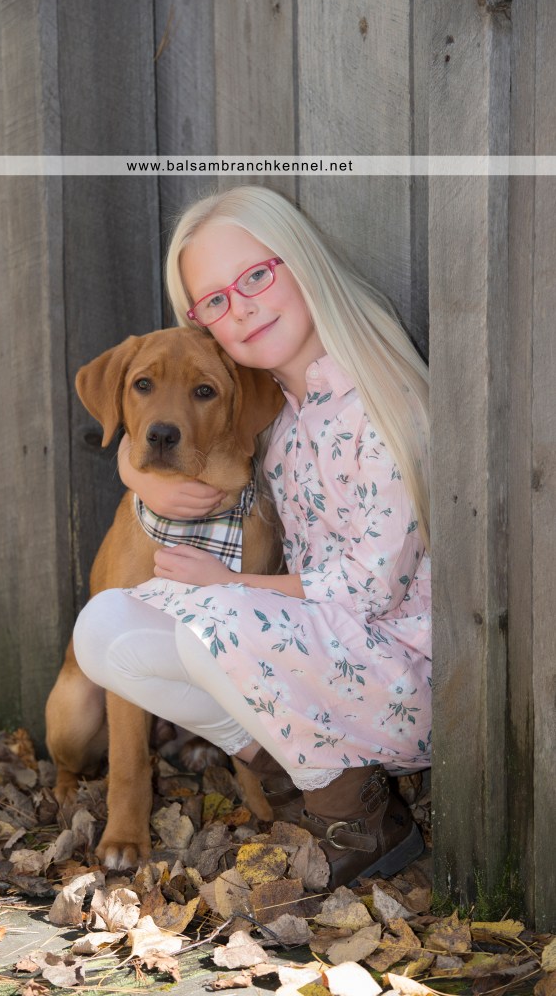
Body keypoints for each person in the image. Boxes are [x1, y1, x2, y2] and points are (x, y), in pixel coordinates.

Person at [73, 185, 431, 887]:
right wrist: (138, 473)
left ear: (304, 263)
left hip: (403, 681)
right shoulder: (278, 407)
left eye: (257, 276)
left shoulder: (381, 402)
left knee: (204, 615)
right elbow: (177, 430)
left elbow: (370, 589)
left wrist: (232, 586)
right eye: (214, 299)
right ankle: (296, 778)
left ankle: (359, 814)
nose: (240, 307)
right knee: (103, 628)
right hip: (318, 660)